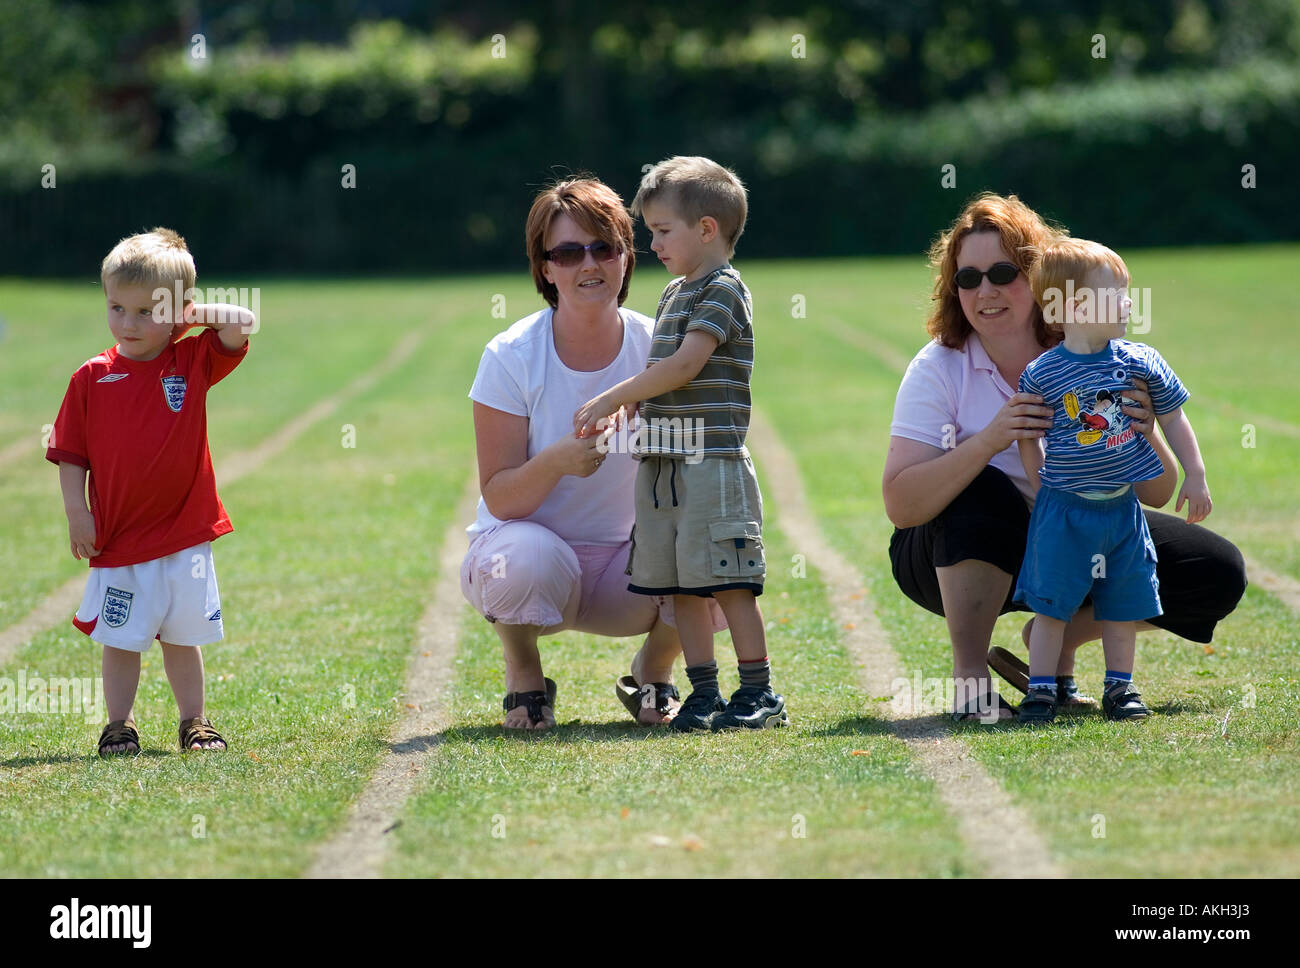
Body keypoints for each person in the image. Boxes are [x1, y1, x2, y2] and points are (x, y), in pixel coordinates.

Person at [882, 193, 1246, 722]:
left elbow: (1156, 493)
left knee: (1217, 571)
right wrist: (989, 440)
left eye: (1003, 272)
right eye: (968, 278)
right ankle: (970, 682)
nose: (985, 291)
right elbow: (901, 505)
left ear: (1042, 281)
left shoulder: (1100, 354)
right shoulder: (939, 365)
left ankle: (1052, 641)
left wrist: (1145, 431)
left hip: (1083, 529)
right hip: (957, 552)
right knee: (980, 486)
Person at [463, 177, 702, 732]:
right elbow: (499, 497)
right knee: (522, 557)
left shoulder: (663, 347)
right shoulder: (510, 355)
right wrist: (557, 460)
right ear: (545, 268)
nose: (588, 264)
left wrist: (648, 430)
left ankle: (653, 670)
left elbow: (709, 450)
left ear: (626, 257)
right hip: (535, 565)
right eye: (568, 252)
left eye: (604, 247)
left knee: (717, 531)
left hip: (630, 571)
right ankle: (525, 673)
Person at [575, 156, 786, 733]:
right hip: (665, 464)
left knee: (729, 581)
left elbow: (687, 364)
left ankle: (759, 692)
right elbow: (664, 379)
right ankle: (705, 693)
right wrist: (639, 410)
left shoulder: (722, 290)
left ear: (707, 229)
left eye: (662, 230)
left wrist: (613, 396)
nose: (653, 242)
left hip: (711, 465)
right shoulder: (674, 291)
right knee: (680, 590)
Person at [46, 228, 254, 755]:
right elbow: (71, 455)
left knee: (183, 637)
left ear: (177, 312)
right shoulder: (91, 377)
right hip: (119, 539)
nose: (128, 323)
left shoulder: (191, 361)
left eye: (145, 311)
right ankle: (120, 725)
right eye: (117, 308)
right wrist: (77, 511)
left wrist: (188, 312)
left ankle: (195, 722)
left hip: (185, 536)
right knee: (121, 639)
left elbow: (244, 323)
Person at [1014, 238, 1212, 724]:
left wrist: (1196, 474)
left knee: (1122, 602)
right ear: (1076, 305)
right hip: (1063, 511)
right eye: (1119, 293)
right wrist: (1043, 490)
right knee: (1052, 604)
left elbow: (1174, 418)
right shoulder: (1042, 373)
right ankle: (1041, 691)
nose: (1129, 303)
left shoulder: (1141, 361)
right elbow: (1028, 437)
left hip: (1122, 510)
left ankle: (1119, 689)